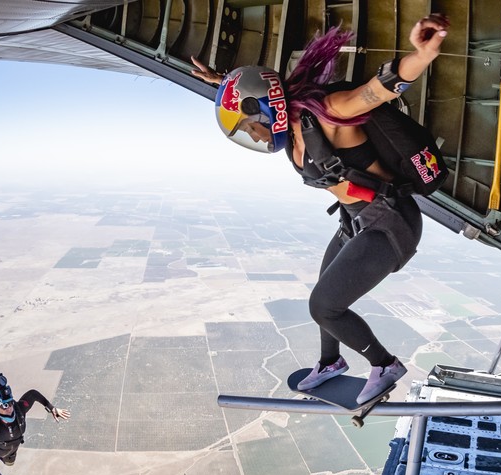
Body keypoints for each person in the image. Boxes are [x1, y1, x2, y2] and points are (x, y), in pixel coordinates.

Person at [192, 14, 450, 404]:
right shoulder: (291, 130)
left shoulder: (331, 114)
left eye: (250, 126)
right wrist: (221, 83)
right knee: (324, 298)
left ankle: (384, 364)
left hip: (390, 222)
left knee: (325, 306)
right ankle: (331, 362)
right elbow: (256, 91)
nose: (254, 135)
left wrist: (422, 53)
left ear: (265, 109)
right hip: (357, 220)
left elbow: (378, 90)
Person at [0, 372, 70, 466]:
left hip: (10, 449)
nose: (9, 408)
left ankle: (6, 456)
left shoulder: (19, 410)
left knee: (10, 463)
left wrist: (52, 408)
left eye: (10, 403)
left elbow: (33, 394)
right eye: (4, 406)